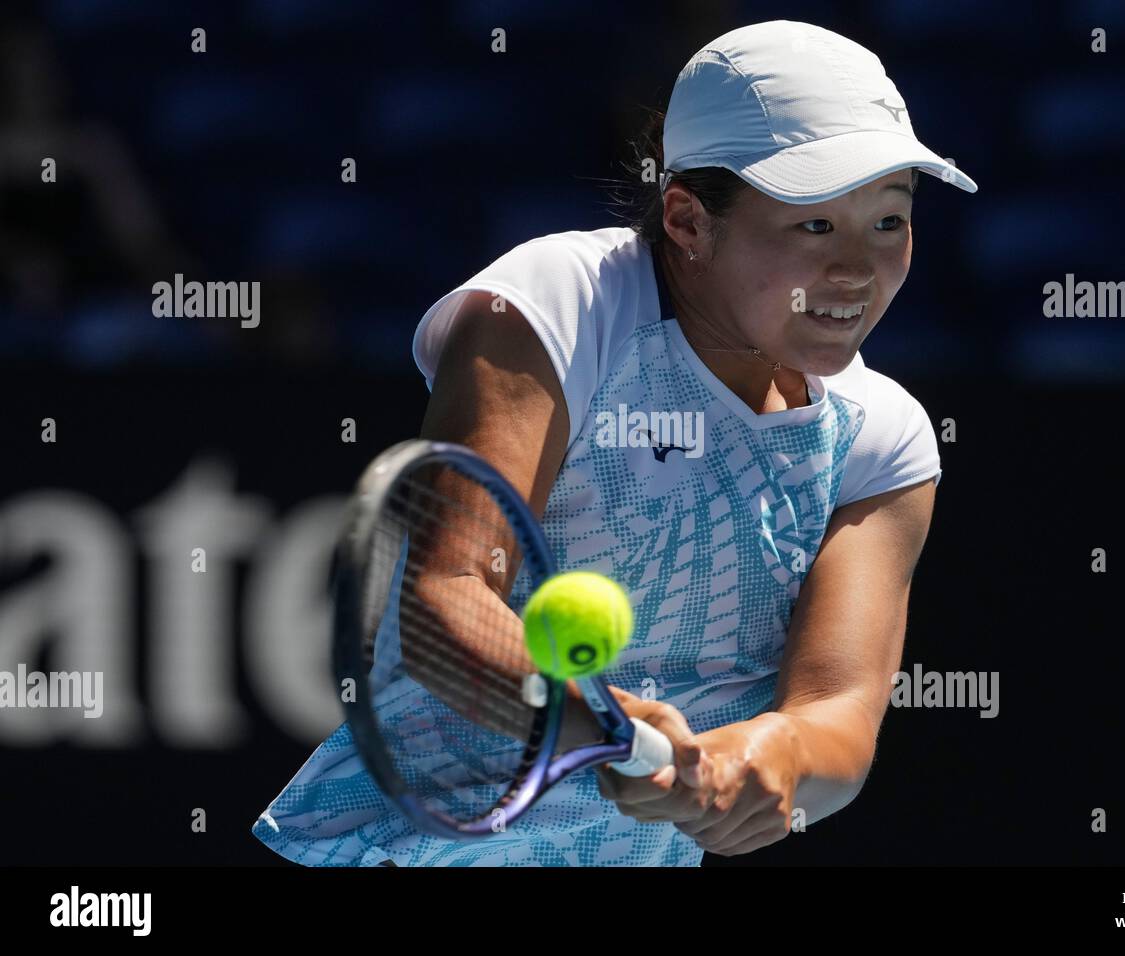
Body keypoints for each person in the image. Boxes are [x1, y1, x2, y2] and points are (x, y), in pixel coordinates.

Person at [252, 19, 976, 866]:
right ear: (688, 220)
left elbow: (839, 714)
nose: (857, 270)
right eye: (814, 226)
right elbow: (443, 602)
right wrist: (595, 726)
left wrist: (765, 760)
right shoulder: (562, 302)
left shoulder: (880, 437)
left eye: (888, 222)